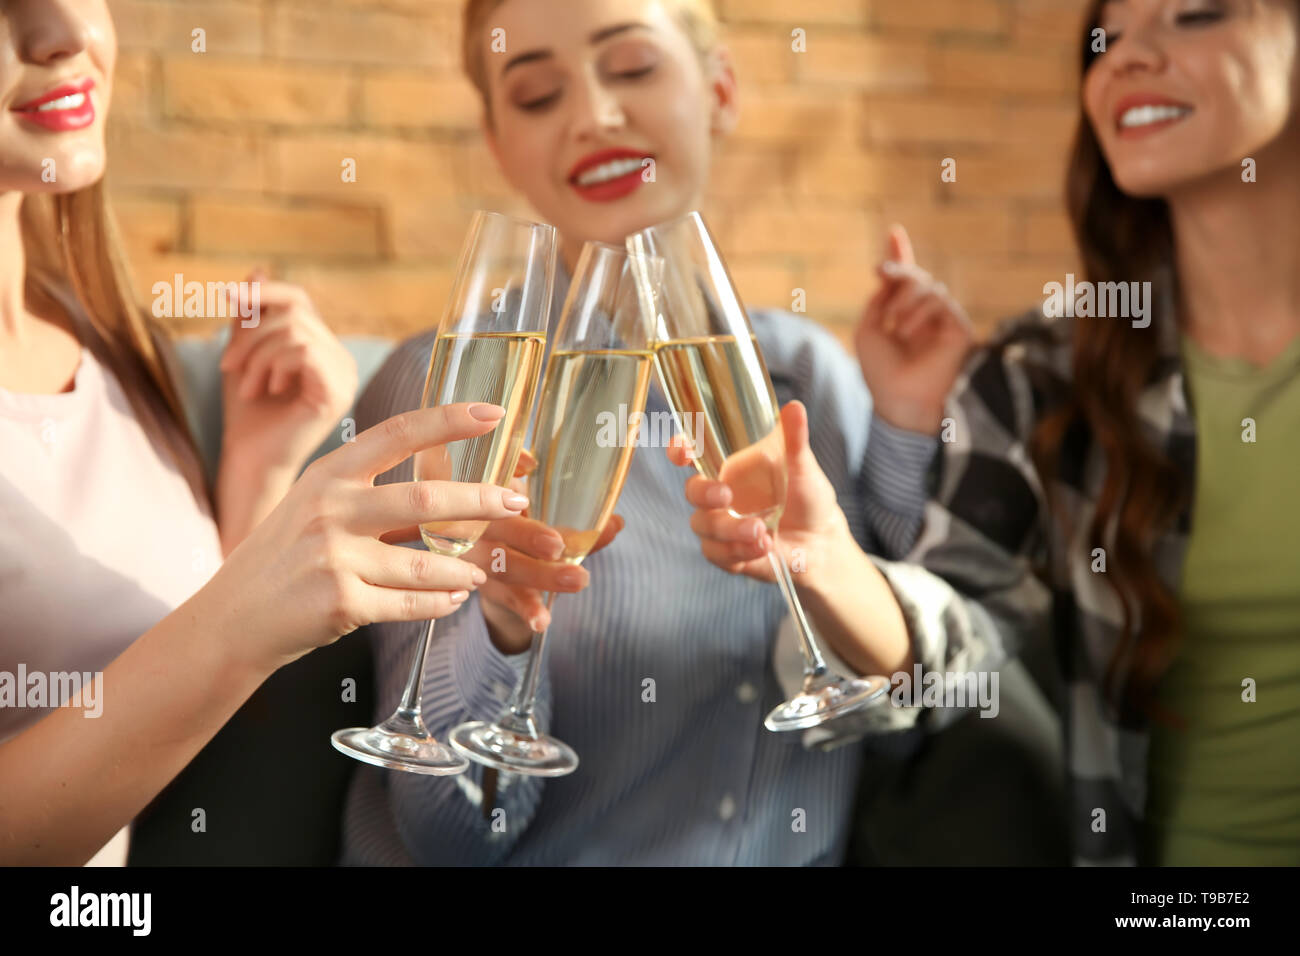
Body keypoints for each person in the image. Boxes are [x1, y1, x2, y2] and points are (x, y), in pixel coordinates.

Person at [341, 0, 1055, 866]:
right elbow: (449, 840)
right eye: (535, 95)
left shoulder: (802, 374)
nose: (595, 115)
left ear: (720, 90)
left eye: (633, 67)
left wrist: (907, 422)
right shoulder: (449, 392)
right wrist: (500, 626)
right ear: (499, 143)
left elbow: (920, 725)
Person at [677, 0, 1300, 865]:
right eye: (1105, 40)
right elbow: (954, 649)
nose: (1125, 60)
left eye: (1193, 15)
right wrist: (826, 559)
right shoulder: (1038, 381)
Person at [0, 0, 532, 866]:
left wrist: (258, 465)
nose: (65, 33)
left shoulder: (108, 348)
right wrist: (239, 620)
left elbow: (178, 724)